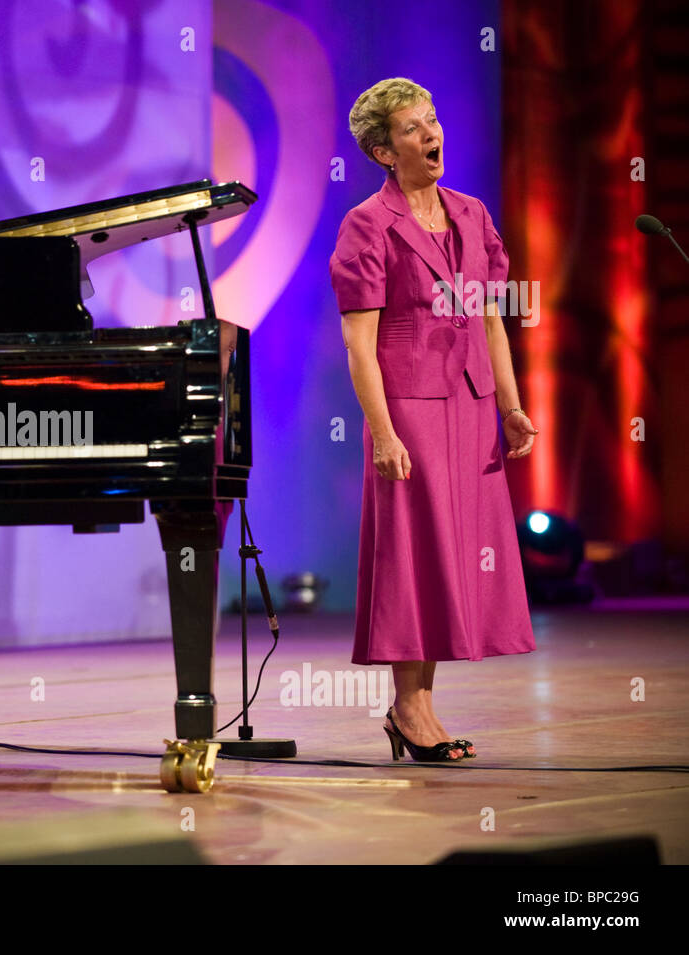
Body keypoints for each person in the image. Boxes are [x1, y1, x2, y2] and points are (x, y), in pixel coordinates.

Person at [329, 78, 538, 762]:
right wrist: (382, 431)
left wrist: (509, 406)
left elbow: (491, 320)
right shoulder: (367, 224)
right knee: (412, 554)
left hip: (473, 406)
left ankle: (419, 705)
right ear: (386, 151)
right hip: (410, 407)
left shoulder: (473, 216)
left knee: (452, 554)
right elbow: (360, 342)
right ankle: (410, 706)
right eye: (414, 127)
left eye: (433, 120)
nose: (431, 133)